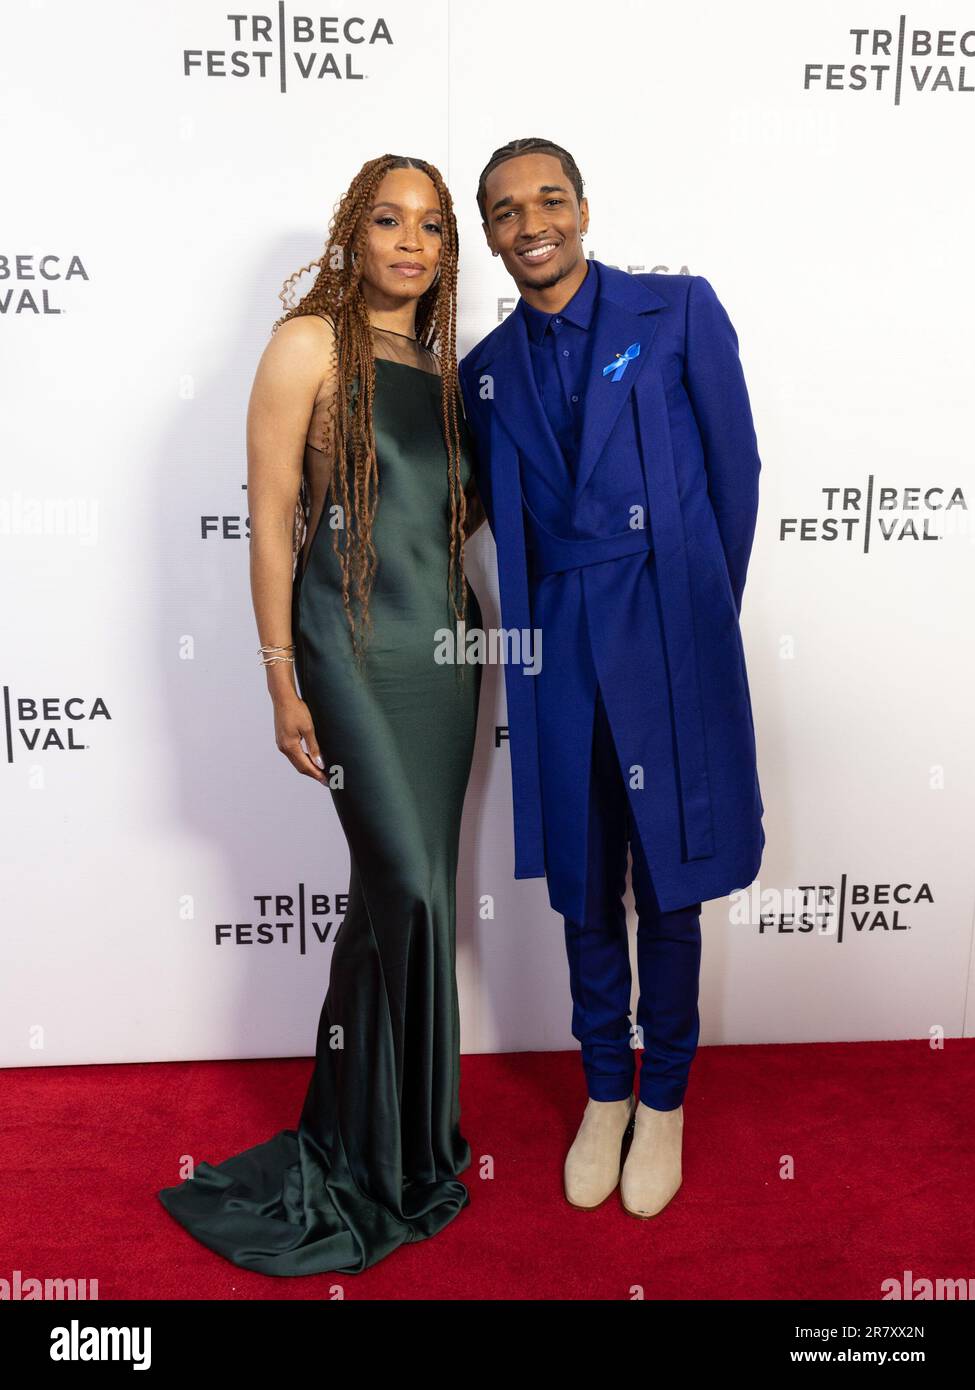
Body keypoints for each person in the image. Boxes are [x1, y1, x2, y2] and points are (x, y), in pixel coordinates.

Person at [158, 154, 486, 1274]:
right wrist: (277, 673)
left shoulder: (440, 372)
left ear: (447, 251)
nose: (411, 241)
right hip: (346, 648)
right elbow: (271, 518)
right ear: (353, 232)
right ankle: (354, 1154)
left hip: (444, 651)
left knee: (420, 891)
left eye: (432, 227)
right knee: (400, 878)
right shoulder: (309, 344)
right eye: (388, 220)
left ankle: (405, 1146)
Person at [458, 137, 765, 1219]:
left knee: (671, 878)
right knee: (588, 886)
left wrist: (693, 616)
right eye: (504, 209)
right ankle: (603, 1092)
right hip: (559, 658)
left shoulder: (676, 311)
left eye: (549, 198)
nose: (530, 221)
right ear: (490, 235)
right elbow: (470, 511)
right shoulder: (483, 371)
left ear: (583, 209)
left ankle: (665, 1098)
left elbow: (737, 474)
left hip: (670, 639)